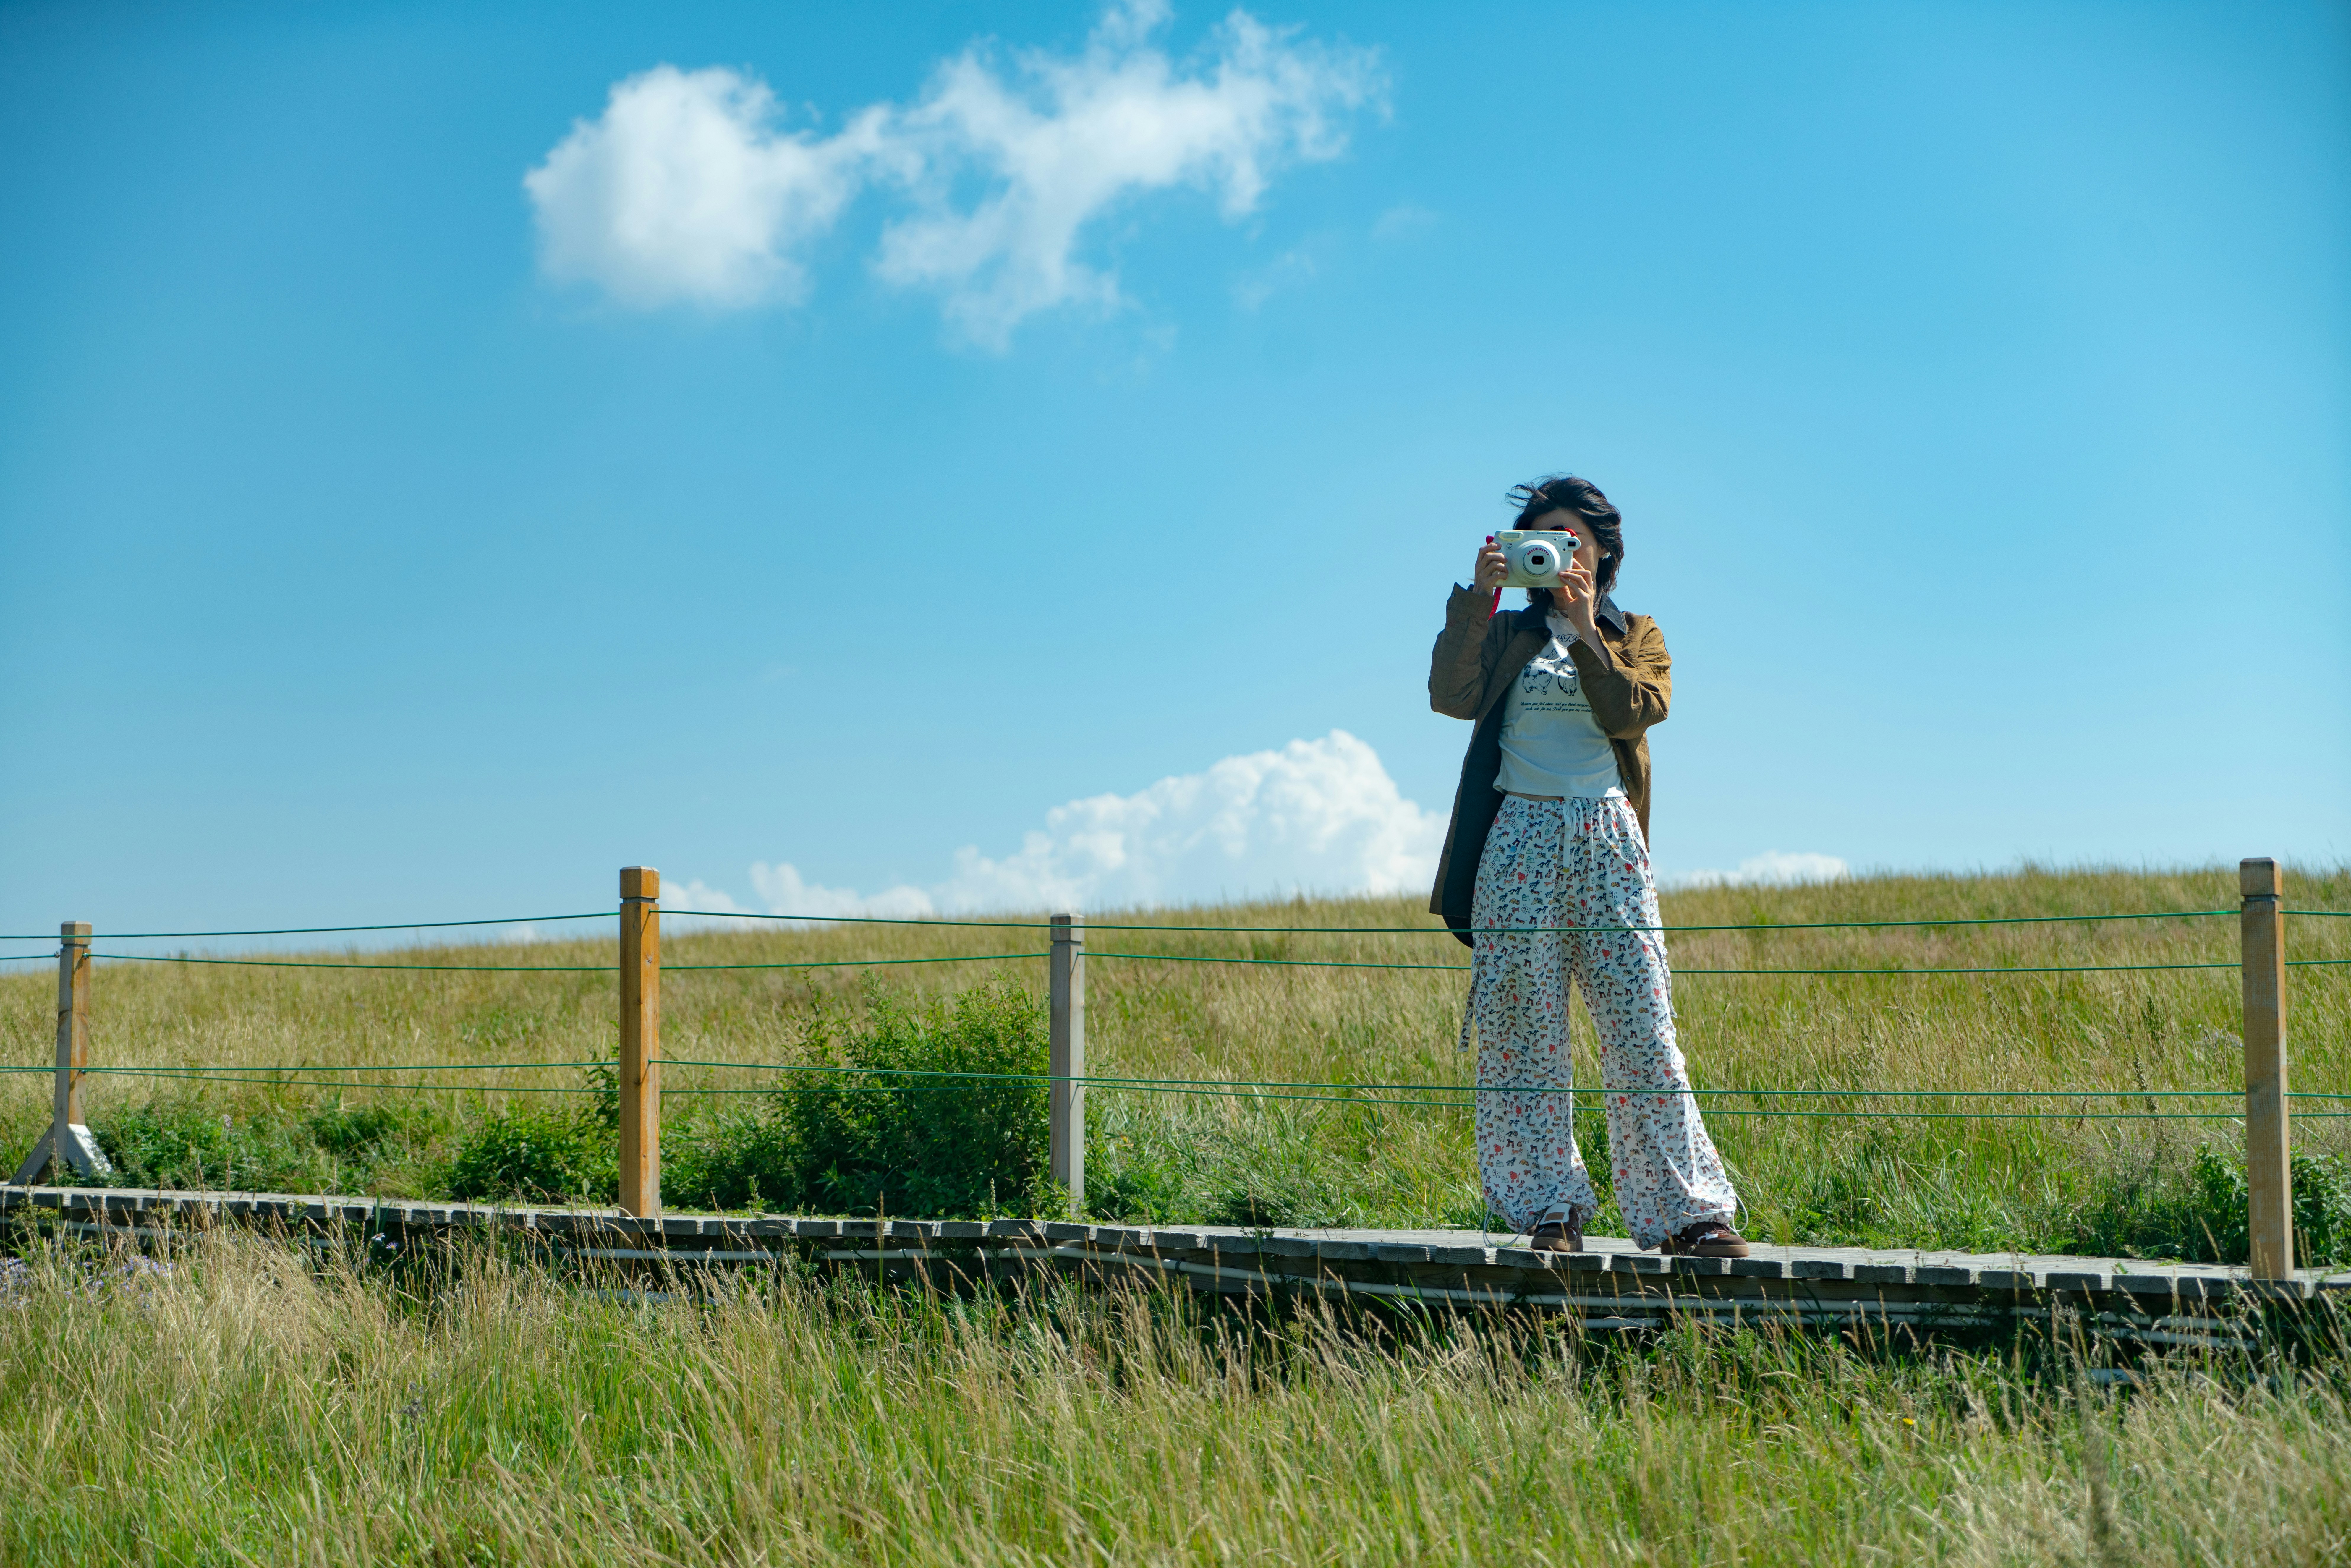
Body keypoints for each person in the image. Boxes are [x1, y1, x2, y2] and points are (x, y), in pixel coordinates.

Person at [1427, 474, 1748, 1258]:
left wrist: (1583, 631)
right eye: (1543, 540)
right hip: (1520, 836)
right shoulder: (1504, 634)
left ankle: (1689, 1216)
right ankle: (1549, 1211)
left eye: (1572, 541)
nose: (1558, 554)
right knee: (1522, 1031)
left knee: (1644, 1029)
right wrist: (1479, 600)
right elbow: (1449, 694)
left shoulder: (1637, 634)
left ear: (1603, 552)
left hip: (1609, 838)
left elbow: (1636, 710)